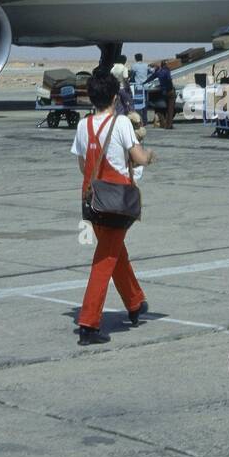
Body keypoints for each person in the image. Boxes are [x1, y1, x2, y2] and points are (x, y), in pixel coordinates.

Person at [72, 72, 155, 344]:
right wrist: (150, 155)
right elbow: (139, 158)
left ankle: (135, 302)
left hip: (93, 201)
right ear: (114, 97)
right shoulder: (121, 123)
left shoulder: (84, 126)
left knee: (115, 252)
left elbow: (83, 165)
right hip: (117, 203)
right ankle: (89, 324)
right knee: (105, 260)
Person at [148, 60, 175, 129]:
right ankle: (169, 125)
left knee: (164, 109)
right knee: (170, 109)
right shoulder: (167, 71)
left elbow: (151, 78)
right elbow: (169, 80)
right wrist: (170, 88)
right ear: (165, 65)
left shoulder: (158, 72)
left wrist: (143, 83)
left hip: (163, 92)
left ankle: (163, 124)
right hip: (169, 91)